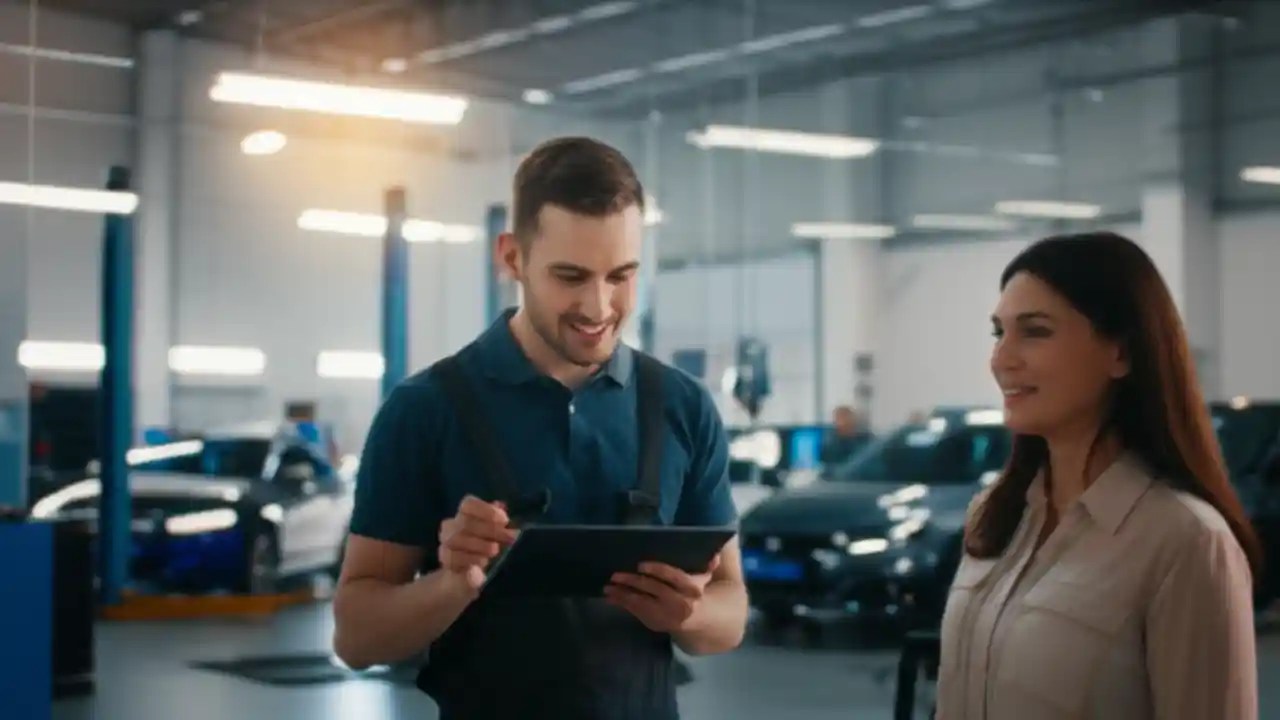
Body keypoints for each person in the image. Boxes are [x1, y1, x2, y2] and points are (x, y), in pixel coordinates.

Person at [331, 136, 747, 719]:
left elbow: (729, 615)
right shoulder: (424, 410)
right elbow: (356, 638)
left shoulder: (681, 407)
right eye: (570, 276)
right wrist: (454, 582)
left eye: (621, 275)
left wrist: (691, 614)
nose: (599, 307)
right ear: (512, 258)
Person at [936, 232, 1260, 720]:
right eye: (998, 332)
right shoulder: (994, 516)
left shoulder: (1186, 541)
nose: (1002, 359)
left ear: (1122, 354)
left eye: (1036, 331)